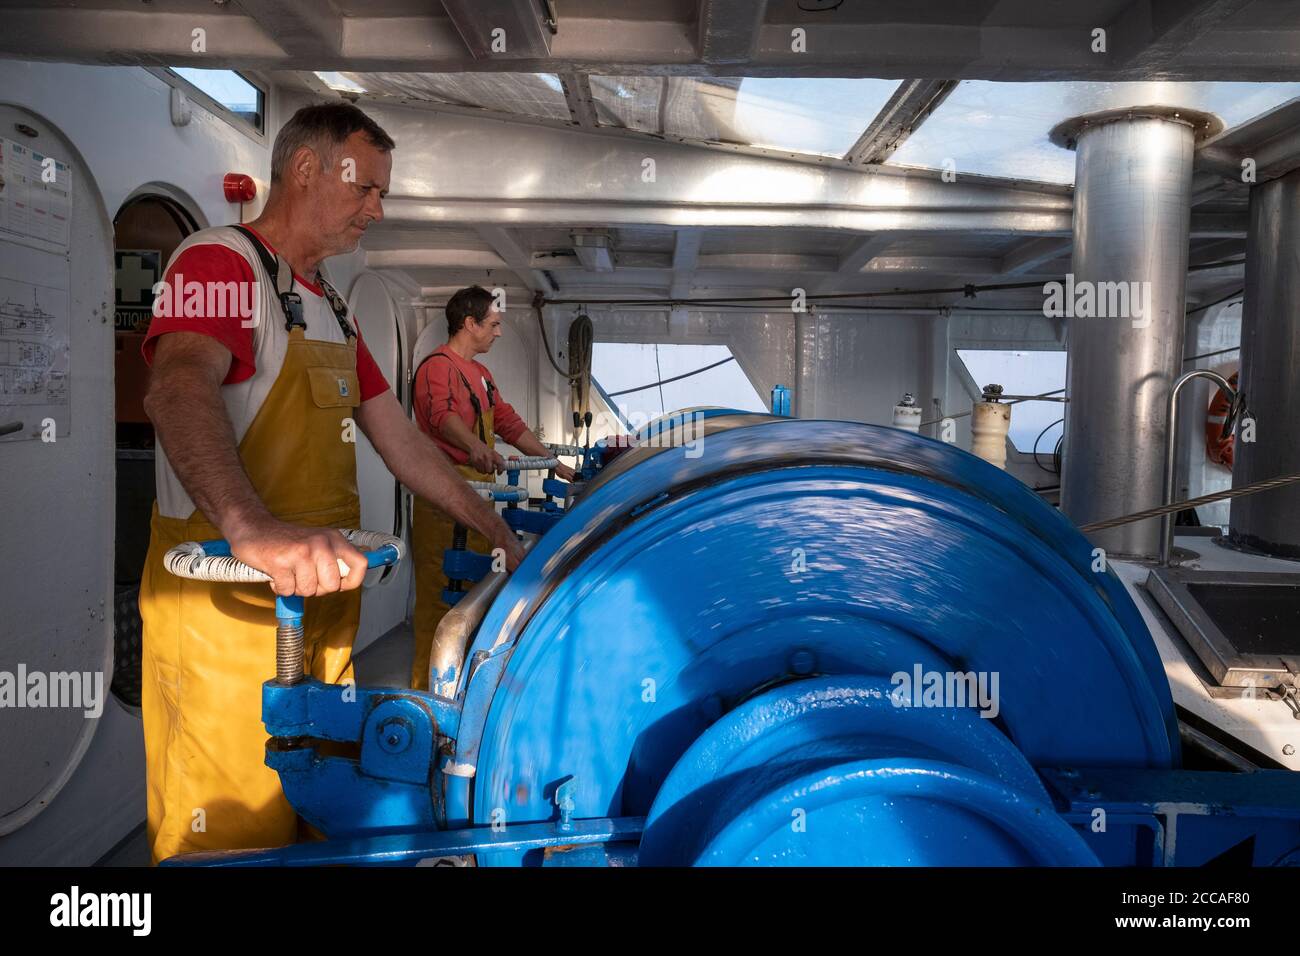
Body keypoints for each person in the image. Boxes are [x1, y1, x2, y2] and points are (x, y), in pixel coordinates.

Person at [138, 103, 524, 863]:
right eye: (366, 187)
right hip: (224, 616)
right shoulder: (216, 262)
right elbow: (177, 387)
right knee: (231, 830)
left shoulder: (332, 307)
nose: (377, 209)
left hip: (322, 612)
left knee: (321, 809)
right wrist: (252, 529)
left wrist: (497, 529)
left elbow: (402, 442)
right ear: (306, 169)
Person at [409, 286, 575, 690]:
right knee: (439, 601)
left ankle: (461, 693)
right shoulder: (437, 367)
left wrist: (557, 465)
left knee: (474, 596)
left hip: (481, 501)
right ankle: (423, 698)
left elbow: (510, 423)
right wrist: (475, 447)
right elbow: (441, 416)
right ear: (470, 324)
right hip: (443, 497)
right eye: (494, 324)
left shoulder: (481, 375)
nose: (499, 333)